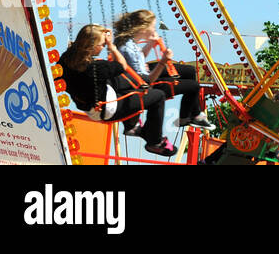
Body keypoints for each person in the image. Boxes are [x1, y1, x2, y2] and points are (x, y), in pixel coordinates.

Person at [59, 24, 177, 156]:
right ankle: (154, 142)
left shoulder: (66, 58)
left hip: (91, 101)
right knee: (158, 96)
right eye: (102, 45)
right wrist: (112, 46)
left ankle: (132, 126)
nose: (103, 47)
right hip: (106, 109)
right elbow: (122, 65)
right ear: (93, 46)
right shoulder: (96, 68)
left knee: (137, 80)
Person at [113, 9, 212, 130]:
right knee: (194, 86)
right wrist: (163, 61)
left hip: (144, 73)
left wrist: (150, 44)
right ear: (143, 28)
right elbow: (146, 81)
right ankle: (188, 117)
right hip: (148, 84)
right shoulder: (128, 48)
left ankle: (192, 114)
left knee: (190, 71)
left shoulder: (129, 42)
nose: (155, 30)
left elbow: (139, 58)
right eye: (153, 27)